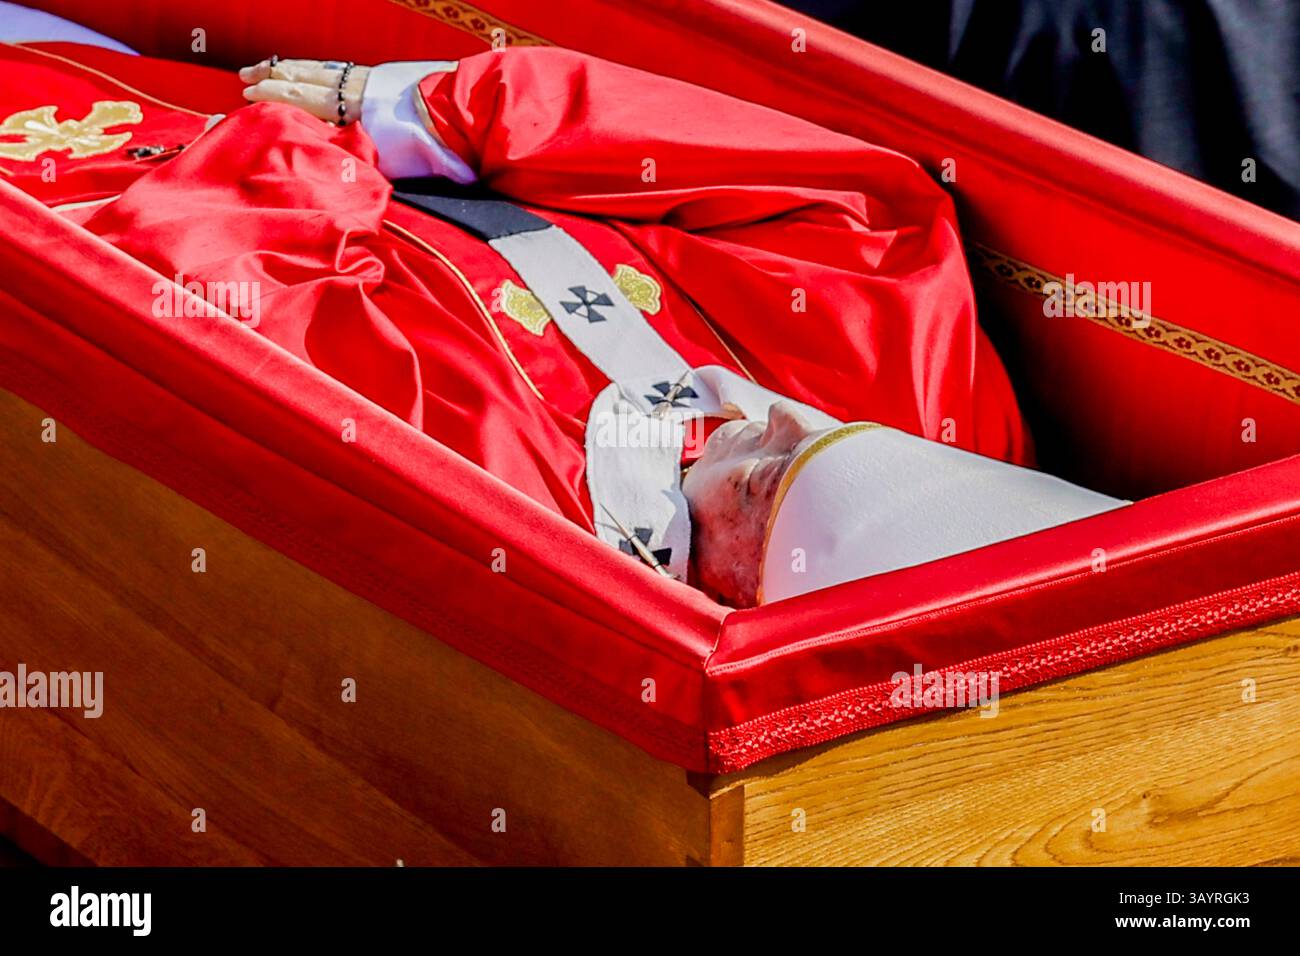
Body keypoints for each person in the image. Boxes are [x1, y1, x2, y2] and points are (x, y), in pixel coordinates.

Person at [3, 29, 1044, 601]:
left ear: (745, 594)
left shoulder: (516, 511)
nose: (776, 419)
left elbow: (218, 286)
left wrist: (295, 150)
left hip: (106, 191)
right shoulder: (905, 406)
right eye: (826, 435)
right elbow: (849, 199)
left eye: (771, 483)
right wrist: (422, 113)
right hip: (240, 101)